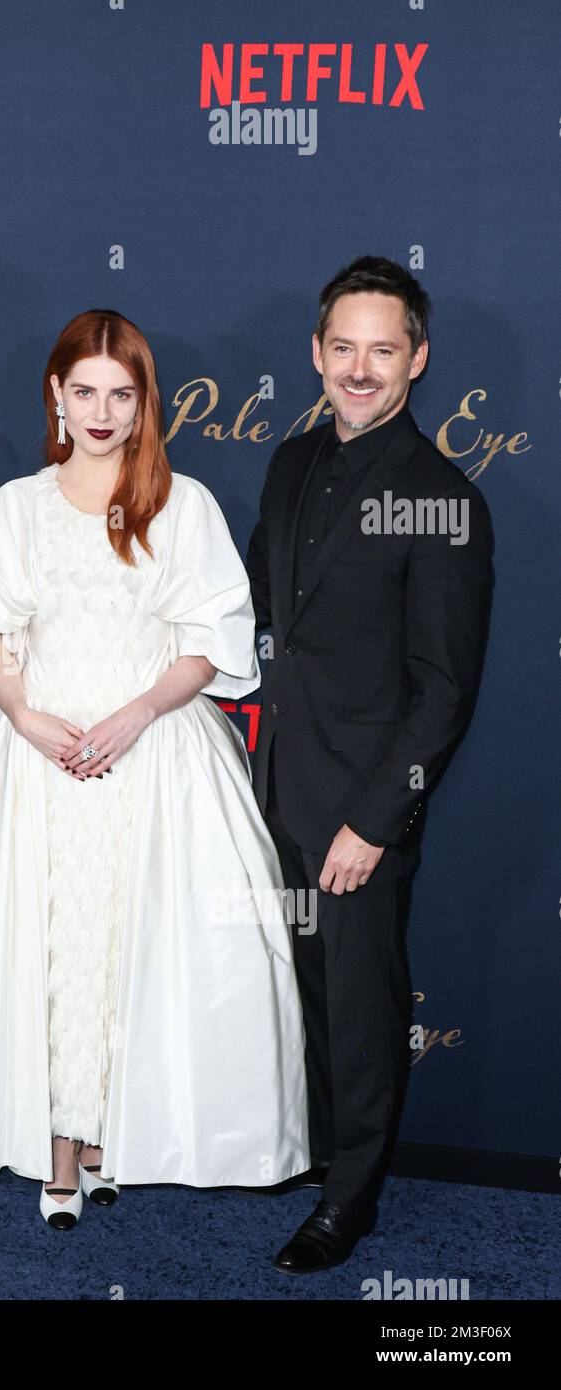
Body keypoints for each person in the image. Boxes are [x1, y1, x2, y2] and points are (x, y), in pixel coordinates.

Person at [0, 309, 310, 1229]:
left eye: (119, 395)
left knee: (139, 946)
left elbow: (209, 646)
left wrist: (137, 713)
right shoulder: (19, 507)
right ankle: (55, 1150)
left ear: (143, 404)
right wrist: (20, 712)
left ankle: (113, 1139)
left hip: (156, 753)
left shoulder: (185, 506)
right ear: (56, 395)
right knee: (41, 945)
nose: (100, 411)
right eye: (83, 392)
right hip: (33, 757)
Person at [247, 256, 495, 1273]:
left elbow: (442, 691)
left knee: (359, 1010)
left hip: (359, 813)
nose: (359, 368)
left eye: (381, 350)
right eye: (341, 347)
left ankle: (348, 1203)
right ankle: (313, 1156)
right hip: (275, 790)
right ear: (315, 352)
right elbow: (262, 614)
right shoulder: (290, 462)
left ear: (417, 359)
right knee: (300, 995)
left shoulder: (442, 500)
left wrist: (372, 824)